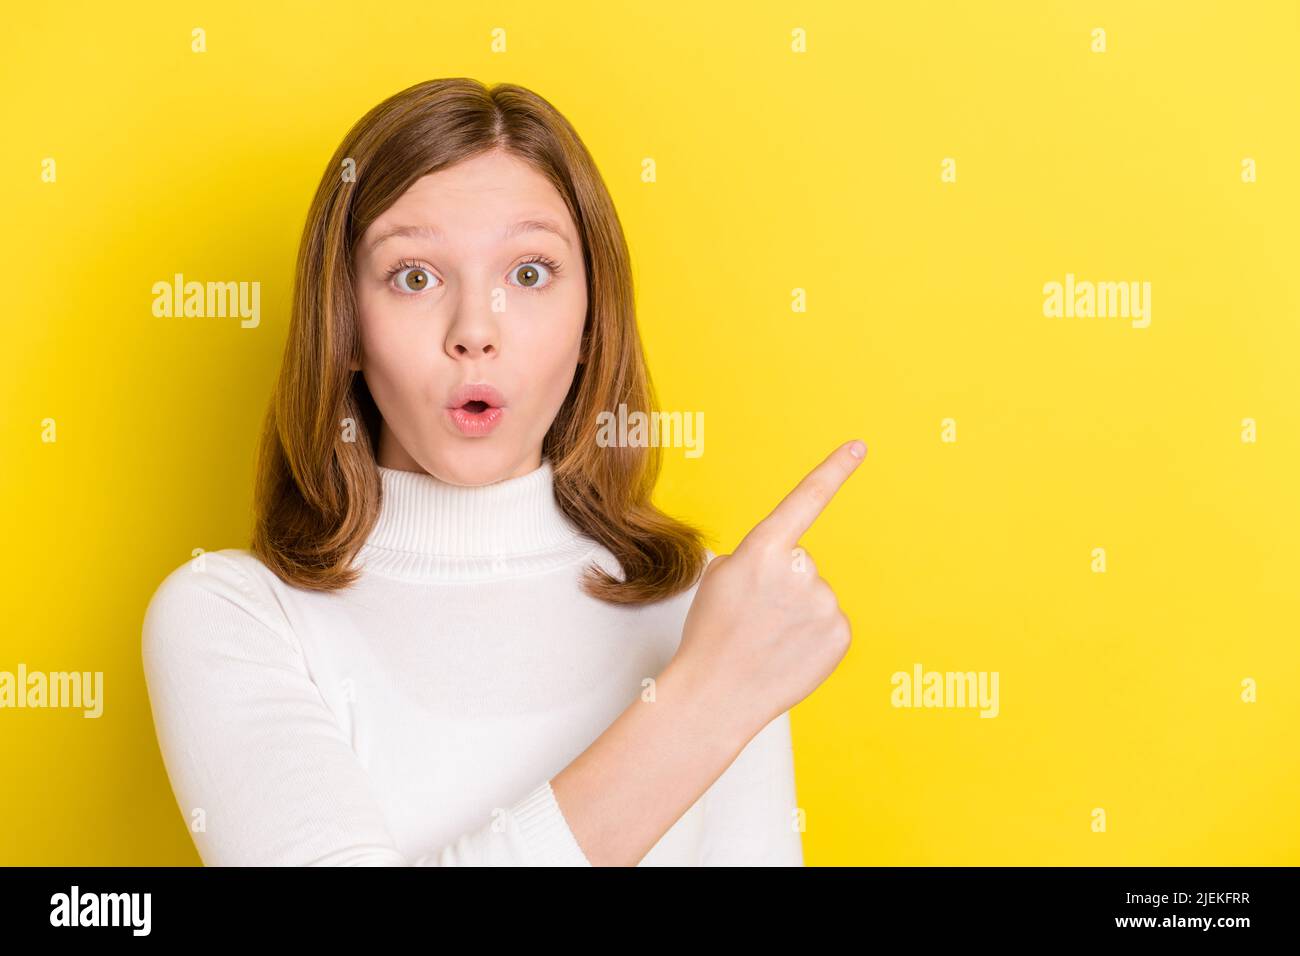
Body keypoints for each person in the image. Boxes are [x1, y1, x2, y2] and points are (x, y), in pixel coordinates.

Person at [141, 77, 865, 866]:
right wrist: (705, 703)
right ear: (344, 327)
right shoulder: (233, 619)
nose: (475, 332)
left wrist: (723, 673)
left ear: (593, 322)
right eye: (415, 276)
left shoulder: (714, 615)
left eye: (529, 273)